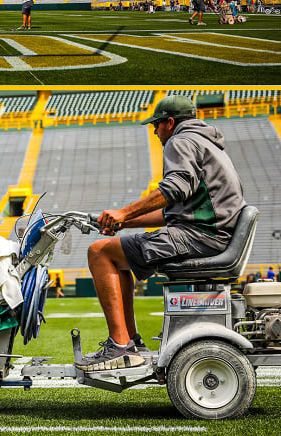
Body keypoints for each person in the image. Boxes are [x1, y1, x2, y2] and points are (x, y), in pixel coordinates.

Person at [77, 95, 246, 371]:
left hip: (201, 236)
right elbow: (175, 209)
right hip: (211, 233)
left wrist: (123, 212)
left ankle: (120, 346)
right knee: (115, 252)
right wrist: (124, 222)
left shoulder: (180, 141)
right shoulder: (206, 143)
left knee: (98, 252)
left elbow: (175, 188)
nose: (155, 131)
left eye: (157, 125)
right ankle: (129, 341)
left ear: (170, 122)